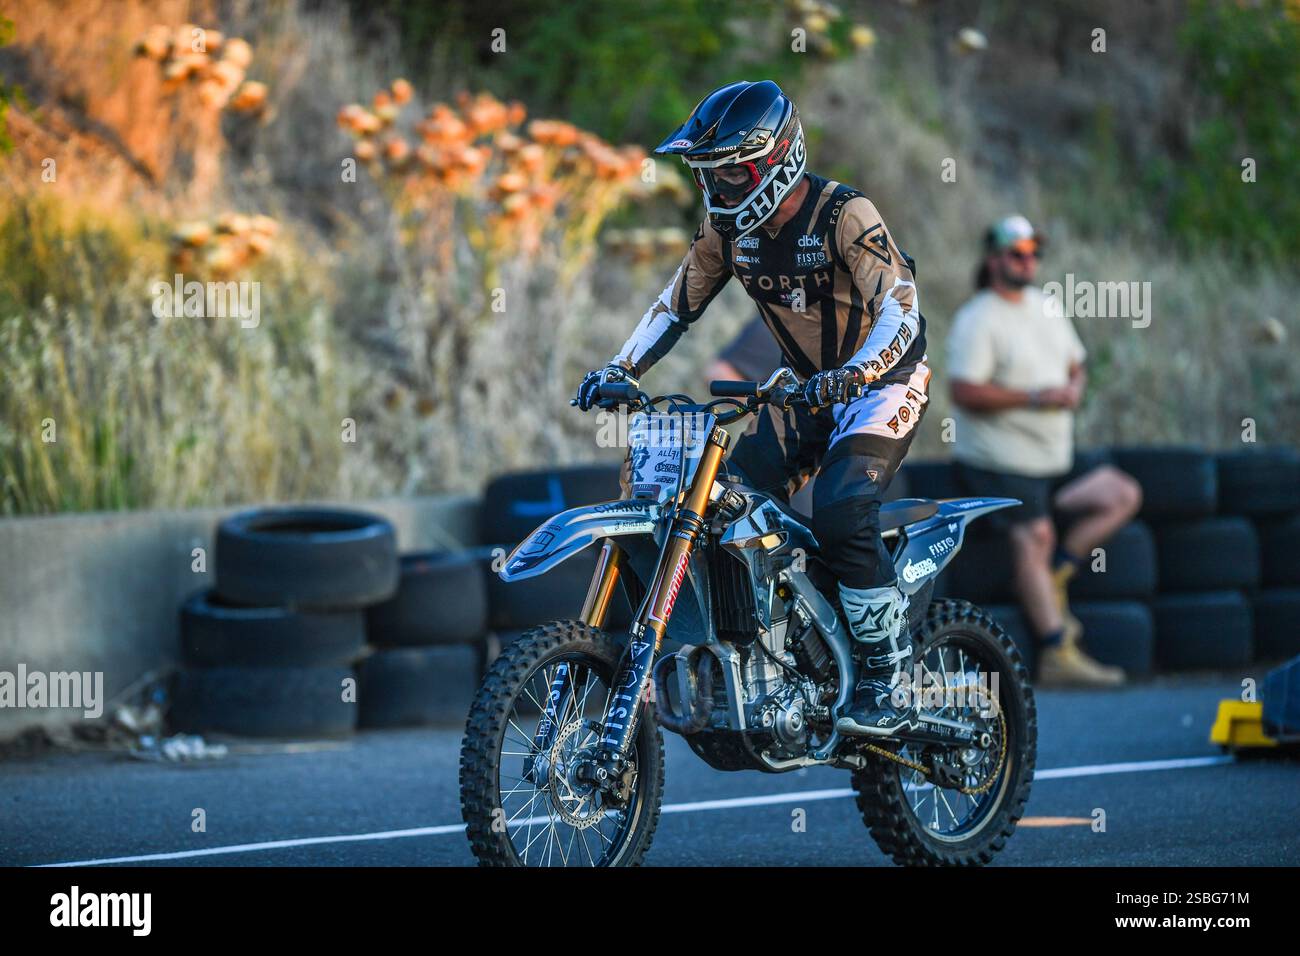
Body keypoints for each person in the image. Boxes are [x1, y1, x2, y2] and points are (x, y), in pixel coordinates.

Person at [574, 80, 930, 736]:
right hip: (800, 387)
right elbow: (674, 304)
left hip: (883, 384)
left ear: (777, 158)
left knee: (844, 508)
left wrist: (857, 372)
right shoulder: (725, 229)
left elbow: (901, 307)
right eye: (708, 173)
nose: (719, 186)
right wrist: (619, 368)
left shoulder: (844, 213)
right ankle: (781, 649)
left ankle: (885, 674)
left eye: (731, 171)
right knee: (726, 505)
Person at [946, 215, 1143, 687]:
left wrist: (1074, 386)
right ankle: (1058, 651)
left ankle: (1055, 575)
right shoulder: (978, 318)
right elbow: (964, 391)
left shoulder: (1046, 305)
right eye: (1018, 253)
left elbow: (1077, 363)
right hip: (999, 461)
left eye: (1034, 252)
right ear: (993, 259)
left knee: (1120, 493)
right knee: (1034, 534)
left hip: (1054, 459)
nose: (1028, 260)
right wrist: (1035, 397)